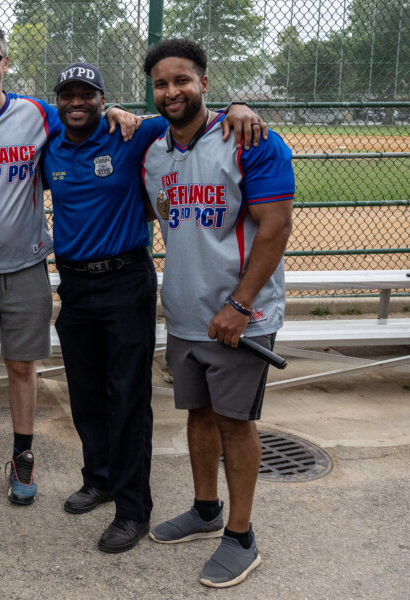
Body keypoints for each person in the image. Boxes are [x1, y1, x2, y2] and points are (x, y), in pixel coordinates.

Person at [42, 62, 268, 554]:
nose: (77, 103)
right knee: (84, 395)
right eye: (68, 95)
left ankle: (132, 509)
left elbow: (188, 114)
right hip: (75, 287)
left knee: (126, 399)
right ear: (58, 101)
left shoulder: (134, 135)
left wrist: (239, 107)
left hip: (125, 281)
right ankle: (98, 478)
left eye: (88, 95)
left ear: (105, 100)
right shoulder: (51, 144)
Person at [0, 24, 143, 506]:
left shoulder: (36, 114)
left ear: (5, 63)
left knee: (22, 367)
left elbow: (81, 114)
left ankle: (22, 455)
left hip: (26, 265)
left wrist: (112, 109)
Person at [141, 39, 294, 588]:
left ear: (204, 84)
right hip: (185, 315)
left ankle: (241, 535)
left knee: (236, 423)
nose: (172, 91)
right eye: (161, 83)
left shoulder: (249, 139)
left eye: (182, 80)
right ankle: (206, 510)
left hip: (240, 317)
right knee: (198, 415)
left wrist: (239, 304)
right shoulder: (154, 151)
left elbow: (275, 229)